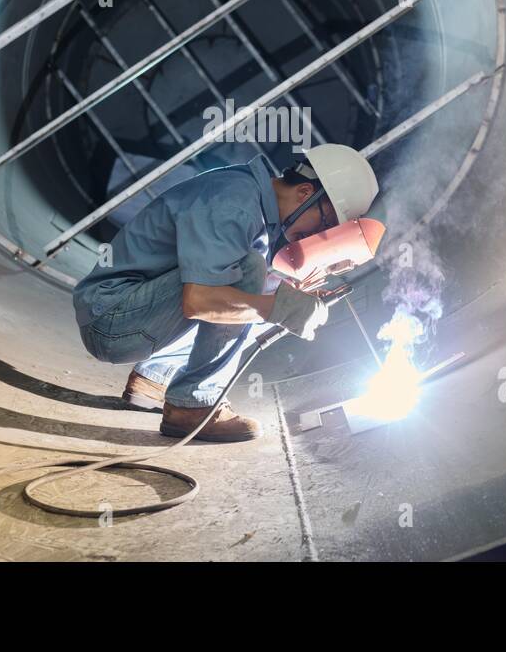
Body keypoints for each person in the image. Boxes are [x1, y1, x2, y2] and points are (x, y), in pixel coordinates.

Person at [72, 143, 379, 442]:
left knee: (258, 283)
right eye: (323, 224)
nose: (314, 236)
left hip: (126, 315)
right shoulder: (235, 203)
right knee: (249, 271)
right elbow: (198, 301)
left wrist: (285, 296)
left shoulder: (252, 201)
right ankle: (193, 405)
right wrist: (278, 307)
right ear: (304, 193)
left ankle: (156, 375)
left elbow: (229, 297)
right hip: (111, 321)